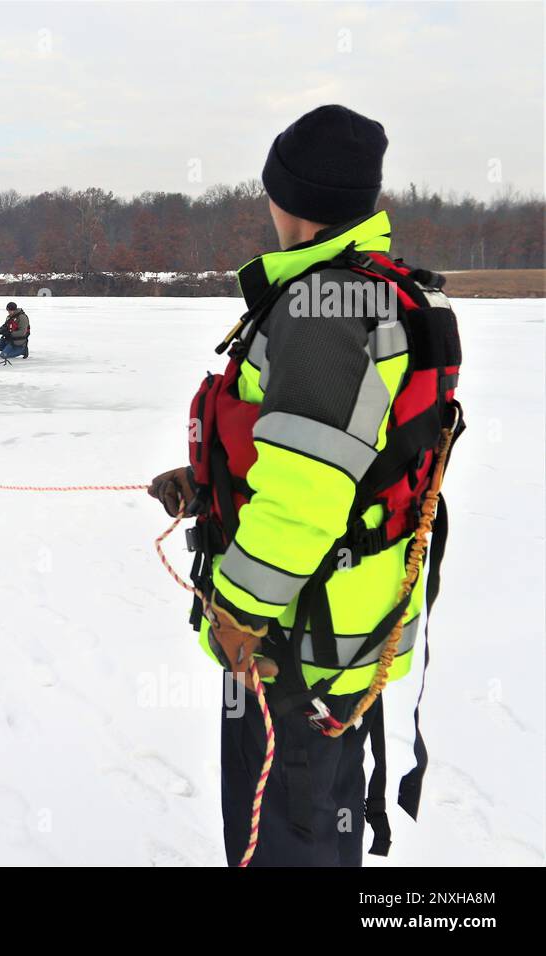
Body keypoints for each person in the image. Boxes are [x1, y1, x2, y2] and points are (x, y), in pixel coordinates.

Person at [148, 105, 463, 867]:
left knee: (290, 839)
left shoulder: (325, 308)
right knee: (318, 819)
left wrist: (242, 611)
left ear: (290, 200)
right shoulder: (373, 291)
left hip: (289, 648)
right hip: (343, 630)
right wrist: (207, 480)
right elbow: (344, 458)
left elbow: (306, 497)